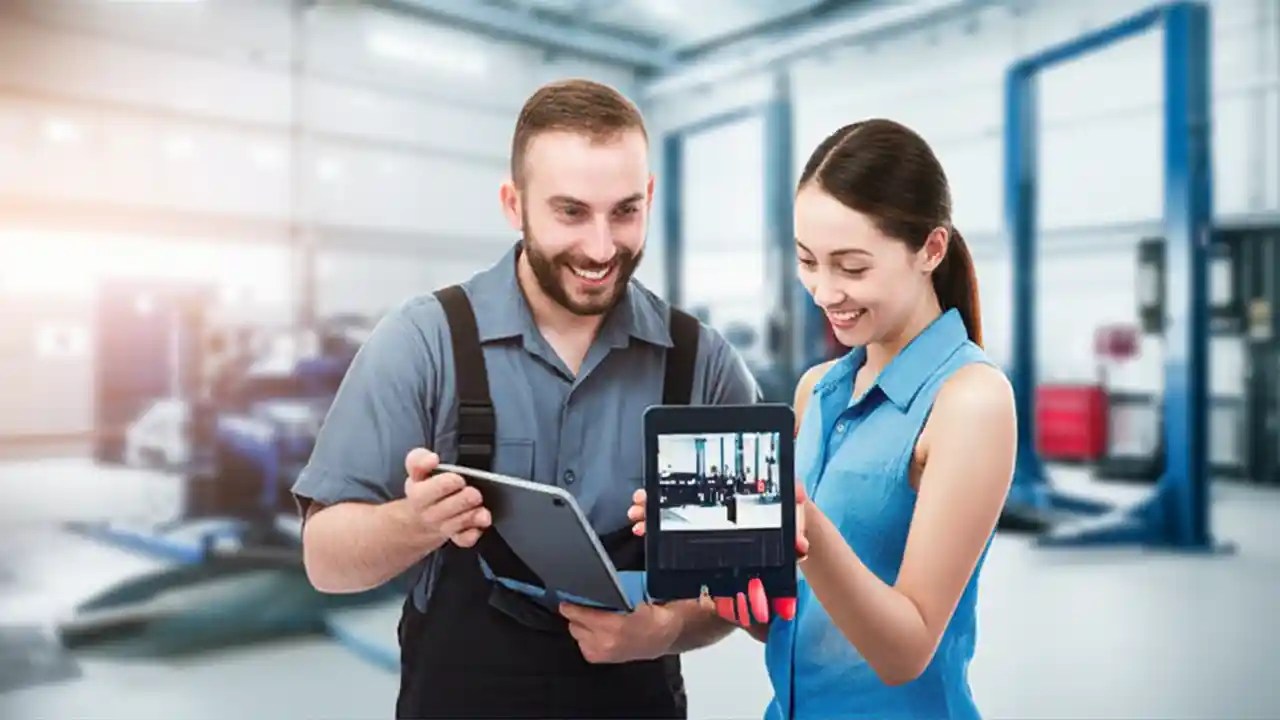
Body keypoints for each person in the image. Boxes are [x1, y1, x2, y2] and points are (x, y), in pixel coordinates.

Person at [294, 78, 760, 719]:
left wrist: (665, 629)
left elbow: (742, 583)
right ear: (514, 205)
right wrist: (413, 523)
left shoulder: (703, 367)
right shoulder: (424, 343)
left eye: (625, 212)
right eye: (571, 212)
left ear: (650, 197)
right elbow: (324, 560)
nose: (601, 248)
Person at [629, 118, 1017, 719]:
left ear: (931, 249)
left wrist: (799, 525)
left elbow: (904, 652)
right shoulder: (818, 389)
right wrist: (725, 564)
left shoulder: (970, 400)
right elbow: (805, 619)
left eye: (852, 267)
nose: (823, 291)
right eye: (807, 261)